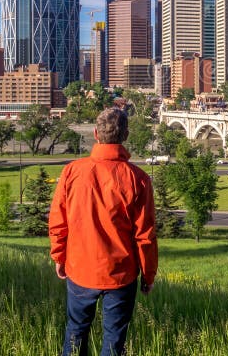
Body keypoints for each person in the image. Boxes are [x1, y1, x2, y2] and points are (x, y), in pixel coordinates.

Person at [49, 107, 158, 356]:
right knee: (114, 340)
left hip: (80, 268)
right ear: (126, 135)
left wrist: (59, 256)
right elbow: (145, 235)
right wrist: (148, 275)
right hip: (121, 275)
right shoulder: (138, 179)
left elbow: (58, 220)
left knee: (75, 333)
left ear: (96, 134)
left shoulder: (72, 171)